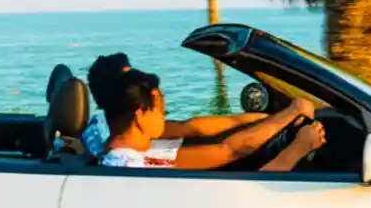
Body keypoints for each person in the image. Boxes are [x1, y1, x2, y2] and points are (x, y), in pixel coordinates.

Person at [96, 67, 325, 171]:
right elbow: (231, 151)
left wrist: (277, 117)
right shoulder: (136, 167)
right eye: (160, 110)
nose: (165, 115)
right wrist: (299, 147)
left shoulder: (123, 151)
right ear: (140, 115)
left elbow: (199, 130)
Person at [81, 53, 268, 155]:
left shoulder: (106, 127)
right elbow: (228, 150)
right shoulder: (130, 159)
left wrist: (259, 119)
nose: (164, 111)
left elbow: (190, 127)